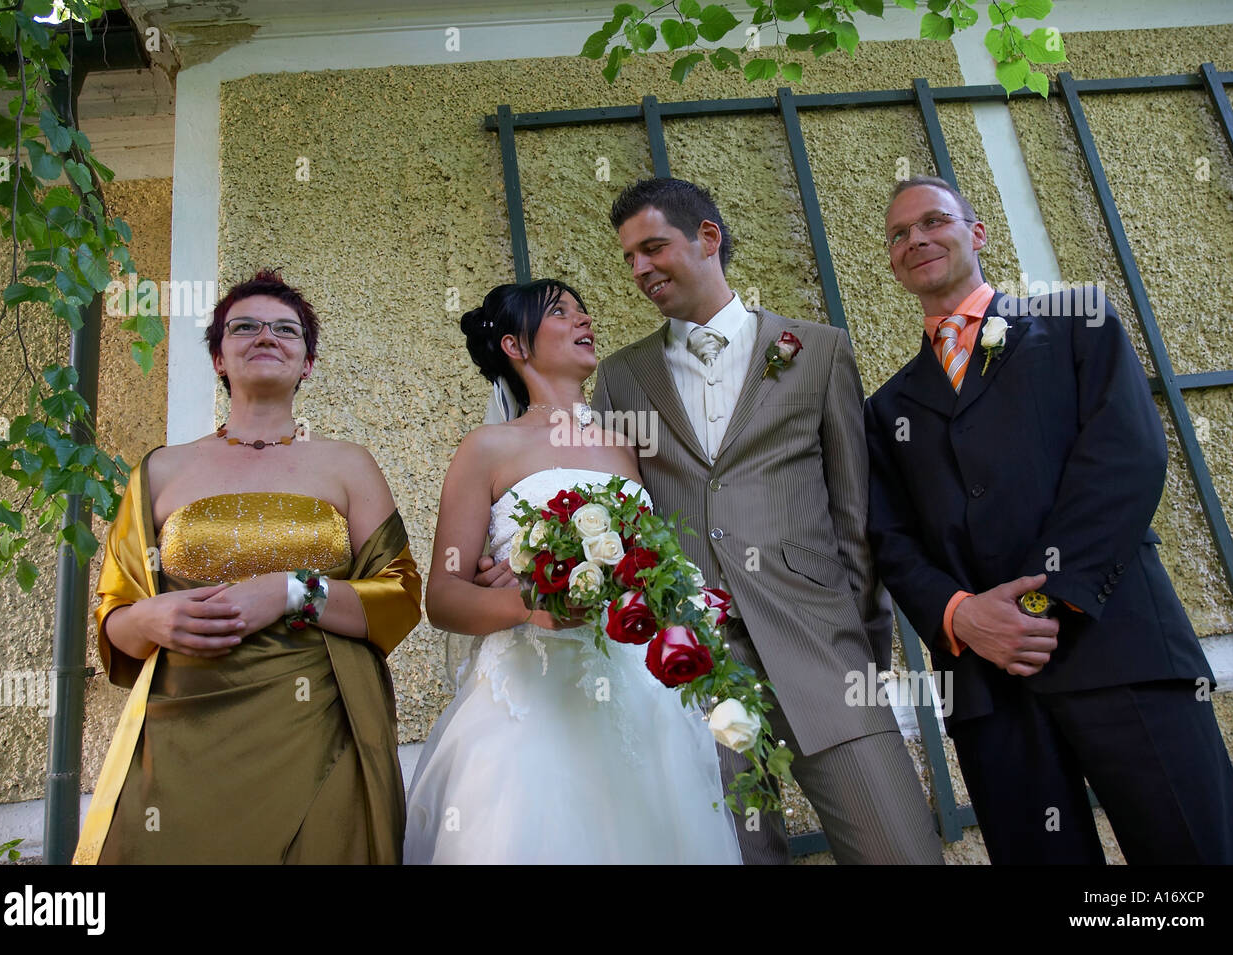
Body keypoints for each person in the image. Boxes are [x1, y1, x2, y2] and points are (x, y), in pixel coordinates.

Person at [865, 174, 1233, 864]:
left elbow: (1125, 458)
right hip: (988, 683)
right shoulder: (886, 408)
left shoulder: (1080, 324)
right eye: (899, 234)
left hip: (1117, 644)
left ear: (976, 232)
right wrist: (962, 615)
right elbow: (890, 539)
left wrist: (1042, 600)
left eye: (932, 221)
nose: (915, 239)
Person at [585, 177, 942, 865]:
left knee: (898, 847)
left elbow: (852, 513)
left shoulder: (818, 351)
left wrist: (862, 647)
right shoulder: (621, 378)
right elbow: (626, 516)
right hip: (696, 667)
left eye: (653, 247)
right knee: (740, 855)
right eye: (628, 257)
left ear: (708, 238)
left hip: (822, 646)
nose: (639, 269)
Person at [75, 269, 423, 865]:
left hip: (320, 724)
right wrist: (152, 618)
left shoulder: (348, 465)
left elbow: (401, 595)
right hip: (180, 732)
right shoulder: (159, 470)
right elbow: (114, 619)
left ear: (308, 362)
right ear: (218, 357)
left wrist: (294, 590)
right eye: (245, 327)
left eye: (286, 329)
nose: (266, 336)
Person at [404, 279, 742, 864]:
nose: (584, 320)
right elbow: (443, 596)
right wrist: (528, 604)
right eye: (561, 313)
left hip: (639, 688)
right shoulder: (487, 448)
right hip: (533, 693)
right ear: (516, 345)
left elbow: (659, 556)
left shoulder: (627, 444)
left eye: (584, 310)